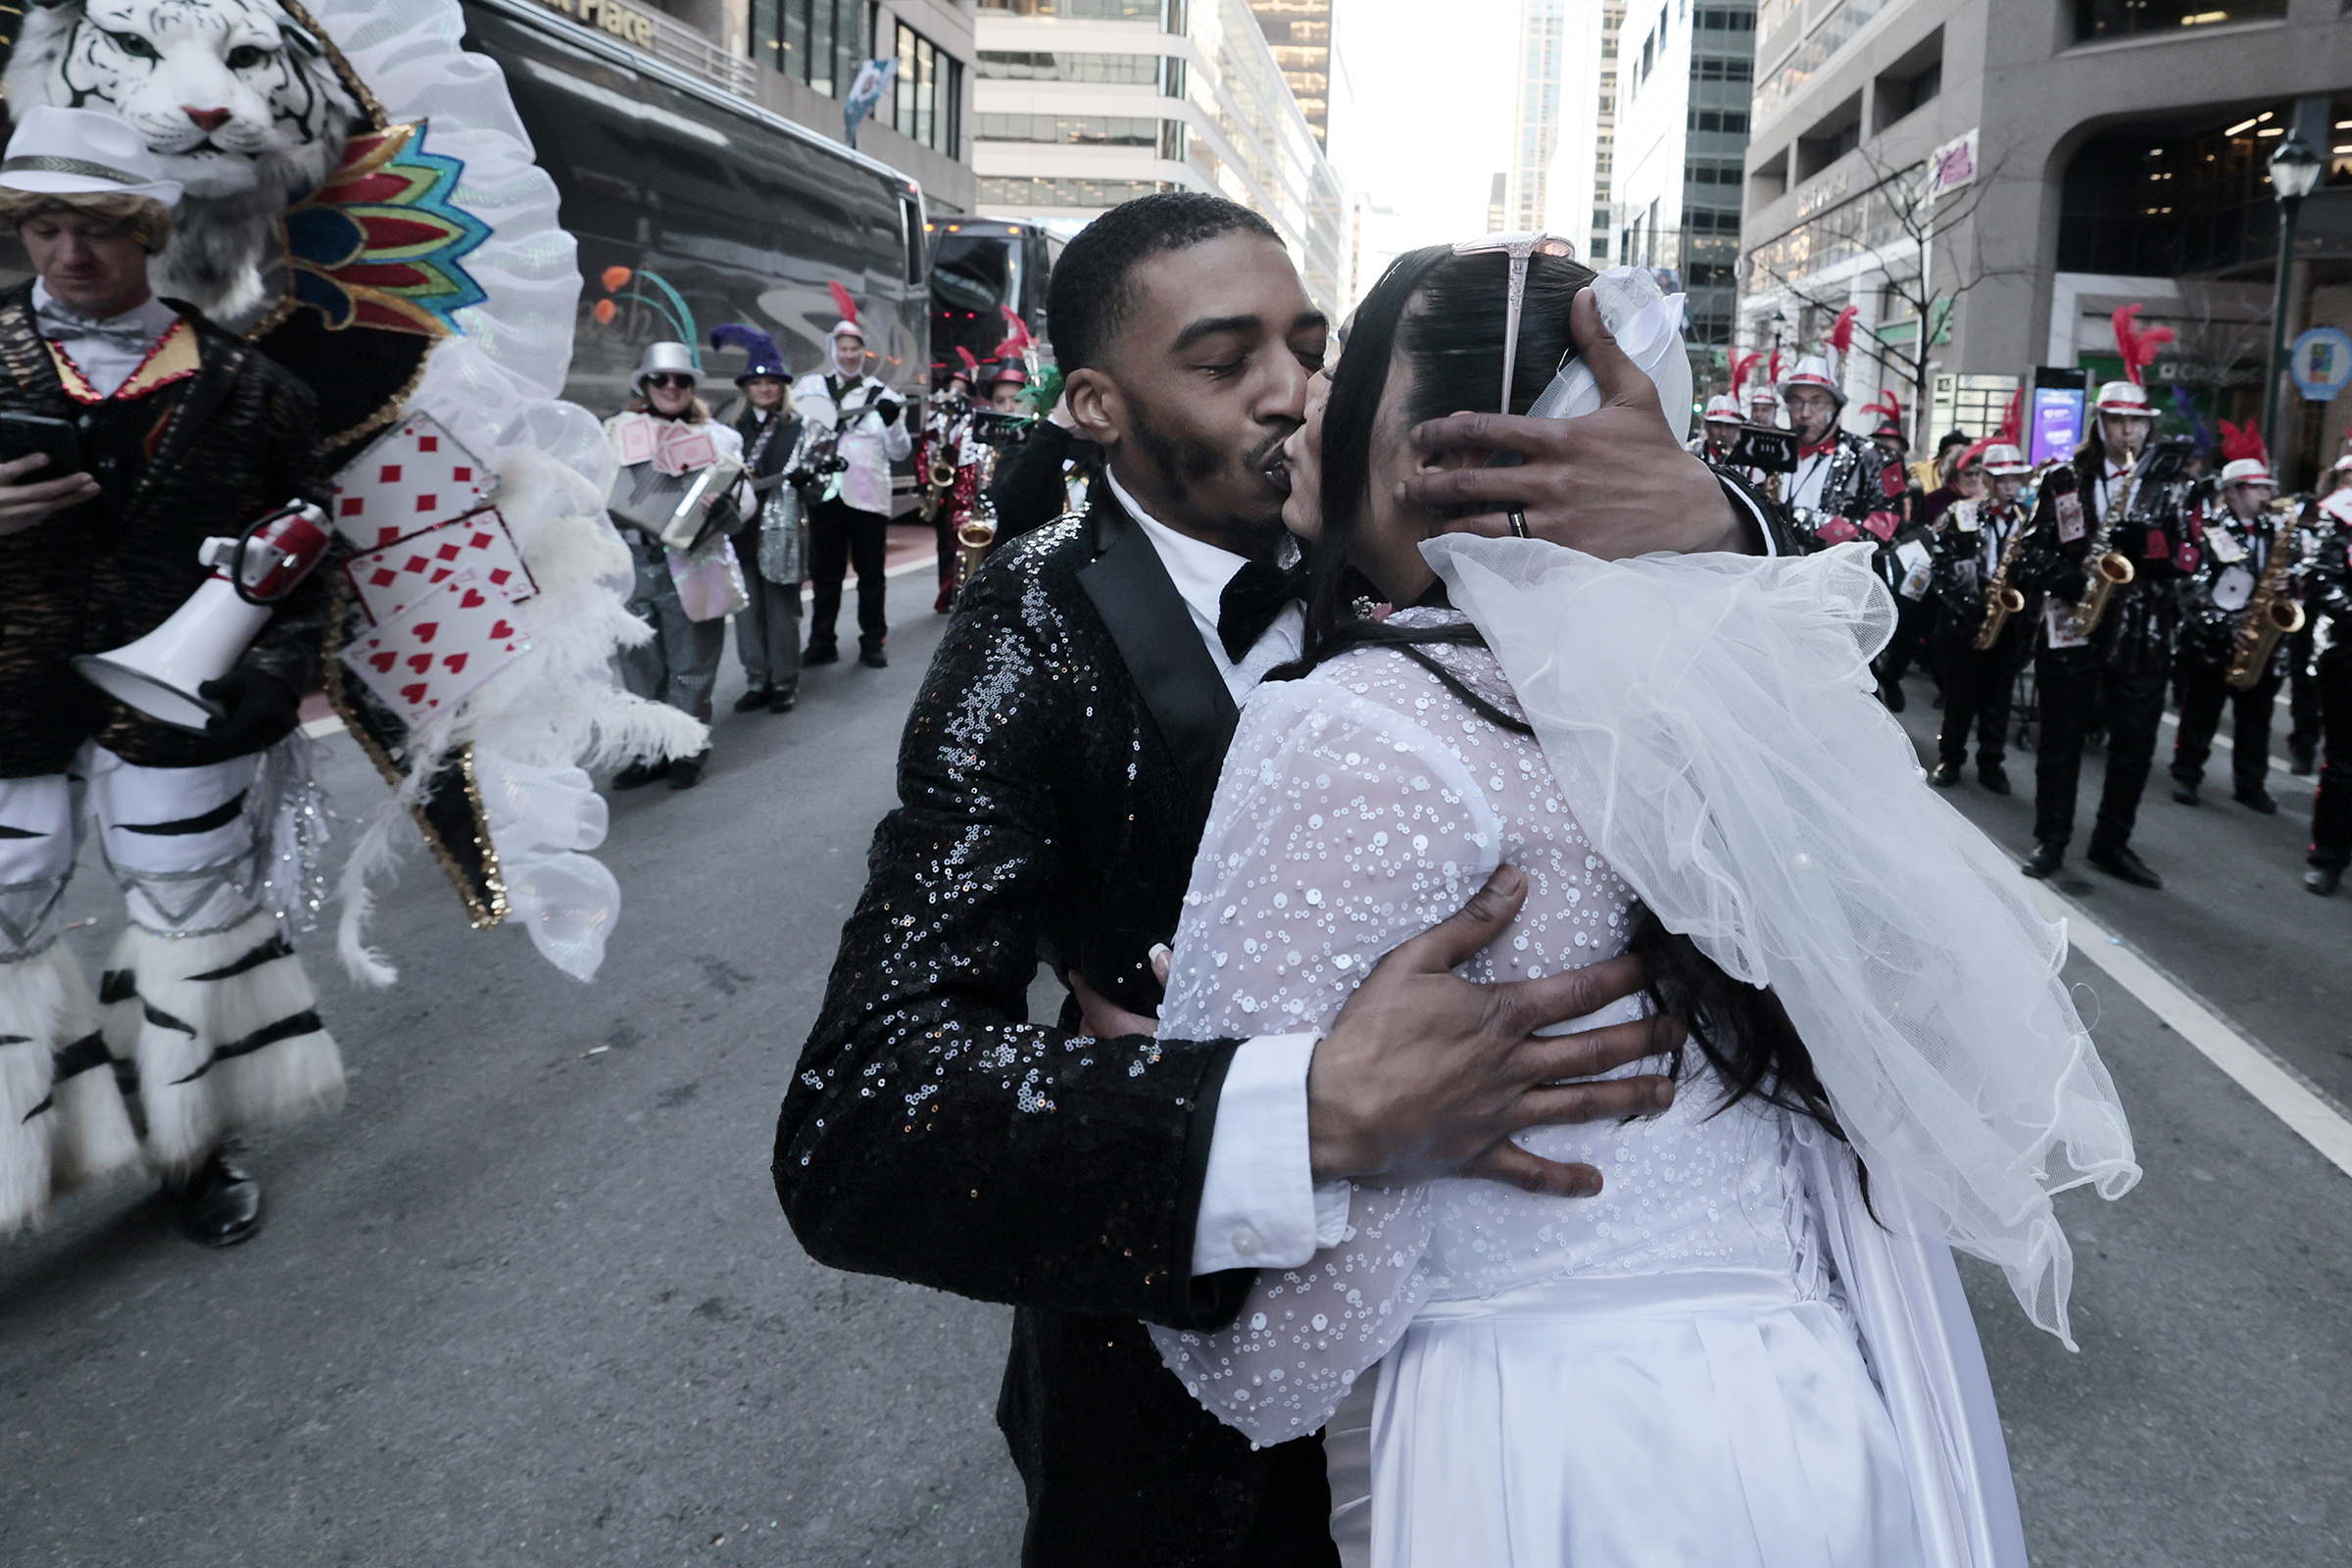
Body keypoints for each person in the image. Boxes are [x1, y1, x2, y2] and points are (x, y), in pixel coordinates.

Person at [775, 195, 1786, 1564]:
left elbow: (1806, 745)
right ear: (1096, 405)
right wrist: (1287, 1110)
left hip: (1504, 1387)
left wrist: (1719, 520)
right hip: (1180, 1430)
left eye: (1311, 348)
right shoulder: (1029, 622)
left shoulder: (1433, 529)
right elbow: (860, 1116)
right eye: (1223, 359)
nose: (1293, 392)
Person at [1144, 239, 2134, 1566]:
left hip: (1538, 1452)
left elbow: (1272, 1354)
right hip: (1809, 1411)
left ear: (1442, 447)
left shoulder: (1355, 727)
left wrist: (1243, 1096)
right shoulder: (1716, 716)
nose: (1302, 402)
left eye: (1341, 367)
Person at [0, 107, 343, 1245]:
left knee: (193, 909)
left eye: (97, 227)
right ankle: (17, 1162)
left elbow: (309, 557)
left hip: (179, 704)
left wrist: (277, 676)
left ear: (148, 228)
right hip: (8, 702)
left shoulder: (259, 388)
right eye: (43, 227)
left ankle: (193, 1143)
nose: (68, 254)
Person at [2017, 376, 2196, 887]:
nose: (2126, 431)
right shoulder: (2064, 478)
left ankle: (2112, 843)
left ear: (2147, 427)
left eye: (2136, 421)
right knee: (2059, 741)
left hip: (2142, 632)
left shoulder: (2174, 484)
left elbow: (2191, 557)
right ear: (2100, 424)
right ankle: (2051, 838)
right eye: (2116, 420)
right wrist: (2061, 574)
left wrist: (2151, 549)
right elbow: (2031, 548)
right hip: (2072, 626)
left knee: (2134, 746)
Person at [607, 342, 745, 791]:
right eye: (659, 378)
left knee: (692, 665)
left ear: (692, 386)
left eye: (680, 379)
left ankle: (686, 749)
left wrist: (725, 508)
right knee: (639, 667)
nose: (670, 386)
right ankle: (648, 751)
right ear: (643, 384)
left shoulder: (720, 439)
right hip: (633, 563)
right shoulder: (616, 434)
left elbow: (744, 506)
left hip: (693, 562)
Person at [2171, 455, 2294, 812]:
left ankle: (2250, 784)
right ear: (2232, 492)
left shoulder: (2274, 530)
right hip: (2213, 638)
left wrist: (2289, 582)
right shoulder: (2209, 529)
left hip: (2259, 635)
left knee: (2256, 720)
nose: (2265, 495)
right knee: (2201, 712)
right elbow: (2190, 586)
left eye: (2267, 488)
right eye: (2256, 488)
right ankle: (2187, 774)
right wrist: (2223, 628)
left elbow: (2291, 575)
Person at [795, 307, 911, 668]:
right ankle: (822, 641)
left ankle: (873, 641)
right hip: (825, 493)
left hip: (868, 496)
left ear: (864, 352)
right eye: (843, 349)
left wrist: (892, 422)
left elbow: (900, 451)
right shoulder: (810, 389)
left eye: (855, 349)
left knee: (871, 574)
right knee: (825, 574)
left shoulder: (885, 396)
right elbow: (797, 437)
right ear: (833, 350)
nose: (849, 355)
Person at [1927, 443, 2035, 793]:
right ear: (1987, 480)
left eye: (2015, 479)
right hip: (1966, 619)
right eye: (2002, 479)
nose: (2009, 486)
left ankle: (1992, 763)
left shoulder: (2030, 521)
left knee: (1998, 698)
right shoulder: (1962, 513)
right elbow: (1940, 564)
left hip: (2009, 621)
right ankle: (1950, 758)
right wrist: (1965, 605)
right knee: (1960, 696)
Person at [713, 324, 803, 715]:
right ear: (747, 388)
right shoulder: (730, 431)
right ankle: (756, 680)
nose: (765, 389)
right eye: (757, 383)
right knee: (747, 612)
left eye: (772, 383)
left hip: (782, 532)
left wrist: (808, 483)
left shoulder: (799, 428)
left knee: (781, 613)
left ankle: (783, 682)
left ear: (783, 388)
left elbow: (821, 484)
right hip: (741, 532)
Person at [1777, 355, 1903, 550]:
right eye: (1796, 402)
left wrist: (1798, 519)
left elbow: (1884, 532)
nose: (1805, 413)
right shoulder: (1774, 452)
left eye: (1817, 403)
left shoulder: (1879, 458)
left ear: (1835, 409)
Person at [2303, 485, 2352, 894]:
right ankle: (2328, 857)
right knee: (2343, 766)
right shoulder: (2342, 512)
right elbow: (2320, 577)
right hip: (2350, 654)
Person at [1686, 392, 1743, 463]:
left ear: (1738, 428)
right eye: (1717, 426)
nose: (1723, 433)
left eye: (1730, 426)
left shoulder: (1748, 459)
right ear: (1706, 426)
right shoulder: (1690, 454)